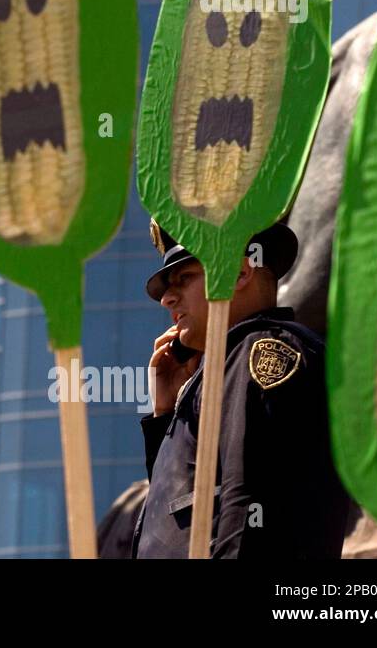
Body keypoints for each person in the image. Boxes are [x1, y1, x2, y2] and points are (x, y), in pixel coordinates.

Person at [132, 220, 351, 558]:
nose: (167, 299)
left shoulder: (261, 350)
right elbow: (178, 518)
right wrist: (167, 413)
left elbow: (250, 504)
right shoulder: (222, 366)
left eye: (184, 278)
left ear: (239, 273)